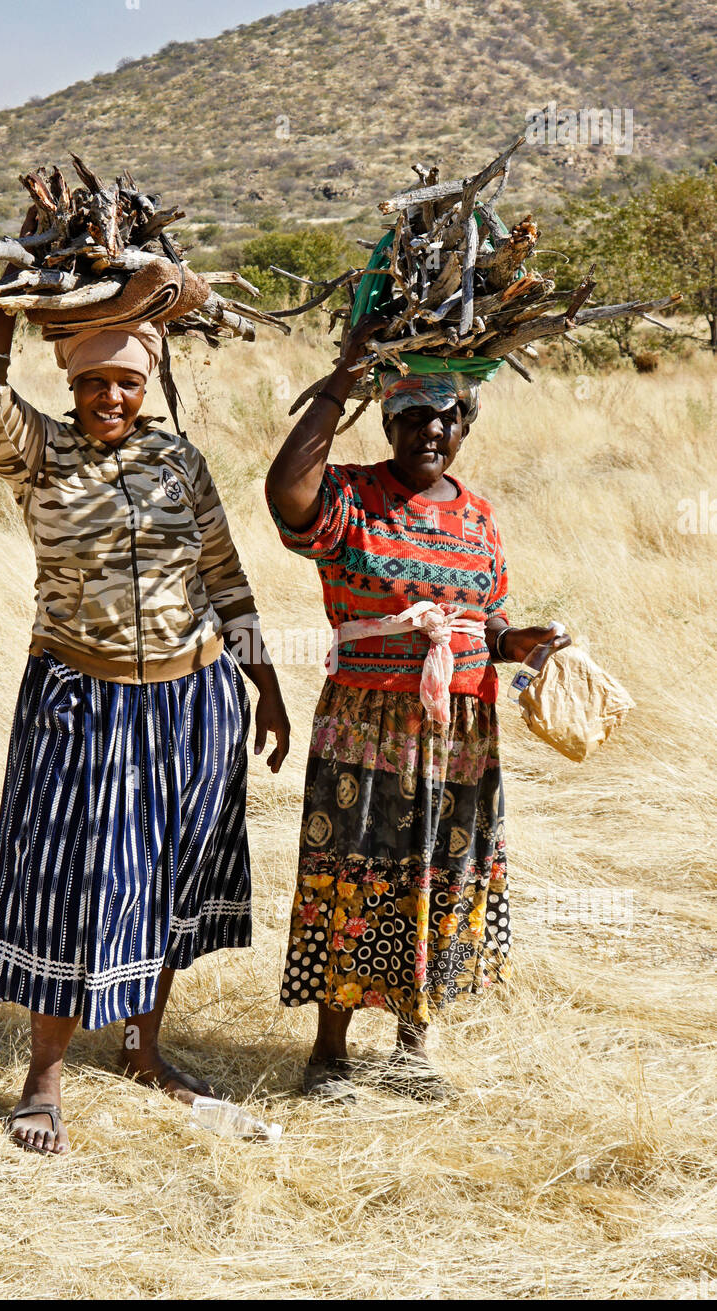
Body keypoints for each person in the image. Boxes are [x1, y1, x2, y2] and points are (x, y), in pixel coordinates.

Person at [0, 223, 290, 1154]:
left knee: (172, 879)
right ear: (73, 384)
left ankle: (145, 1051)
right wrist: (13, 297)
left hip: (192, 701)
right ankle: (45, 1075)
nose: (109, 396)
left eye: (126, 381)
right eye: (94, 381)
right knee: (73, 882)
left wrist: (264, 685)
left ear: (148, 387)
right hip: (81, 704)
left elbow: (225, 575)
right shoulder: (41, 455)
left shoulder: (178, 461)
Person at [265, 317, 569, 1100]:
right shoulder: (351, 497)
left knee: (438, 874)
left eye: (448, 417)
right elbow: (285, 496)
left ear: (466, 425)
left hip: (460, 728)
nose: (431, 430)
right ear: (388, 421)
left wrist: (515, 640)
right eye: (412, 417)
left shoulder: (479, 517)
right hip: (369, 722)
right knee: (353, 872)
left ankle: (412, 1045)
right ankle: (330, 1053)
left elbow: (486, 613)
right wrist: (344, 379)